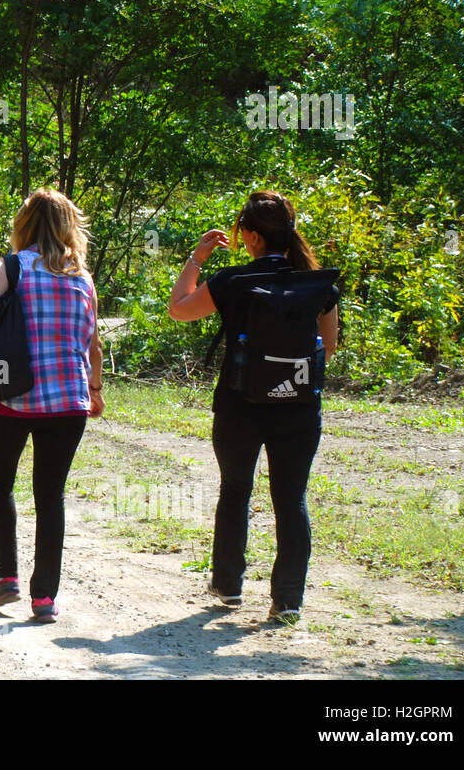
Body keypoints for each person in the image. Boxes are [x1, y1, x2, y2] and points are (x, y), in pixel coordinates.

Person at [168, 190, 339, 625]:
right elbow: (330, 348)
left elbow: (179, 310)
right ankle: (288, 601)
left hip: (238, 407)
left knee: (235, 490)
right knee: (291, 498)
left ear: (250, 236)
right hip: (299, 407)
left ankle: (228, 586)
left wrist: (197, 257)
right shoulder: (319, 285)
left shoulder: (233, 281)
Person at [0, 189, 104, 623]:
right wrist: (95, 389)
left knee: (1, 486)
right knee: (50, 496)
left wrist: (1, 307)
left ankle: (5, 576)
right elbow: (94, 343)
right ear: (67, 226)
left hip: (13, 396)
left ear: (23, 225)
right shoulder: (82, 275)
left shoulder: (12, 266)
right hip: (69, 400)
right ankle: (44, 597)